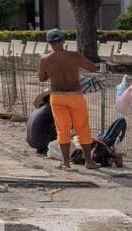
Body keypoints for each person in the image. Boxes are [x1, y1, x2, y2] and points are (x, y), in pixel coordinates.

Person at [38, 28, 105, 169]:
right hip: (76, 96)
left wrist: (53, 71)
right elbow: (92, 68)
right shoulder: (74, 56)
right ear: (63, 41)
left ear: (49, 43)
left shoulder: (45, 59)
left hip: (57, 97)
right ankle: (89, 162)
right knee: (82, 129)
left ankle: (66, 163)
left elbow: (42, 78)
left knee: (62, 130)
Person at [26, 90, 57, 157]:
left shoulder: (41, 108)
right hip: (39, 141)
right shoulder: (52, 108)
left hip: (31, 141)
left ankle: (43, 147)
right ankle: (46, 147)